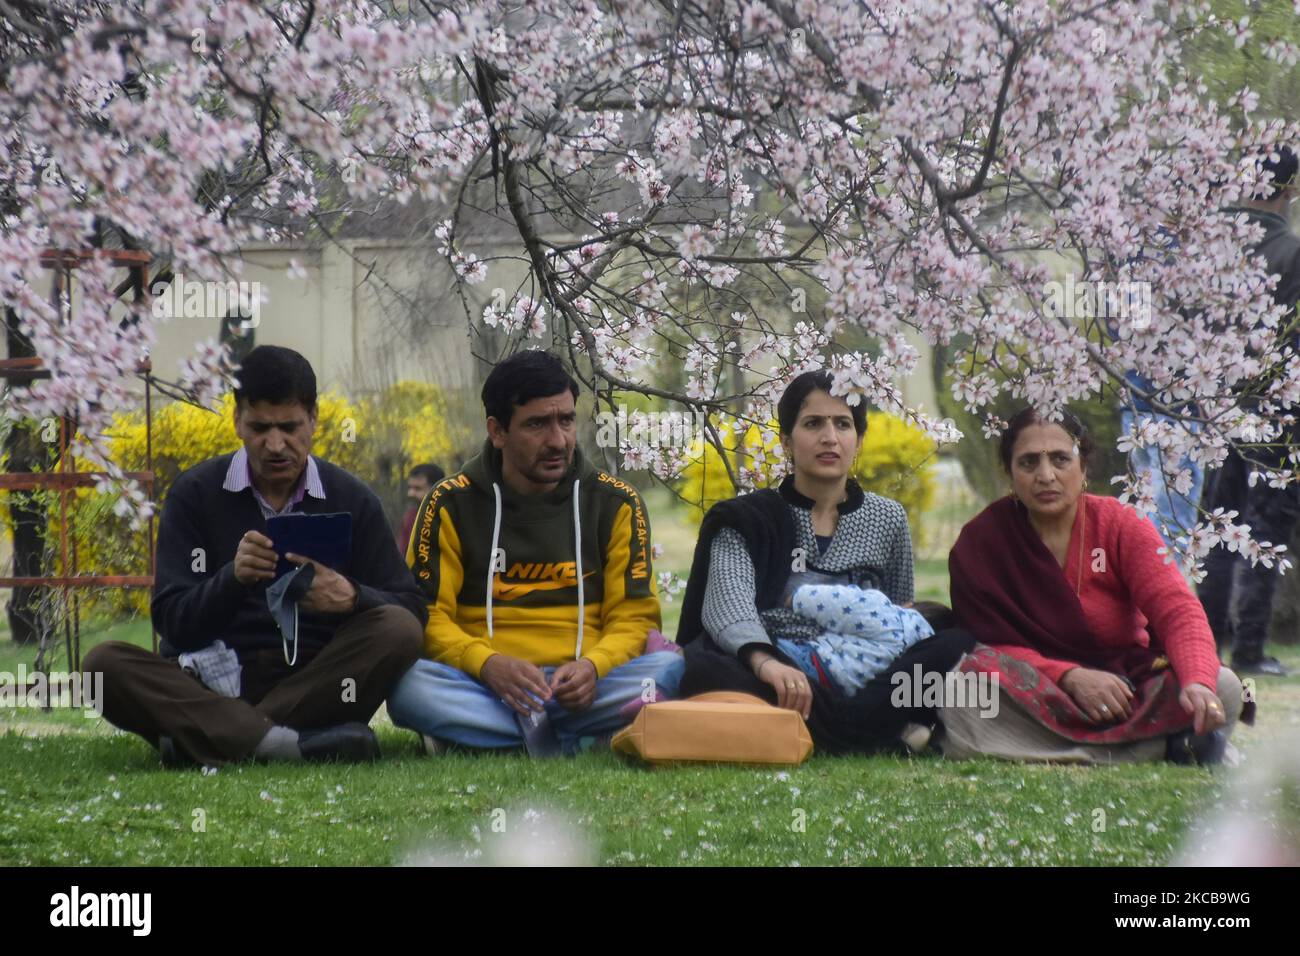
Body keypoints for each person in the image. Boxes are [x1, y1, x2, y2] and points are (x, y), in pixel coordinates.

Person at [83, 346, 426, 767]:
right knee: (102, 666)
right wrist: (231, 580)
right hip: (210, 682)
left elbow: (411, 610)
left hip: (315, 684)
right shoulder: (195, 494)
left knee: (398, 627)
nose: (275, 444)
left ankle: (211, 738)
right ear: (236, 421)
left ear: (313, 420)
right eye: (260, 427)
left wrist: (352, 597)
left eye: (289, 427)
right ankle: (288, 745)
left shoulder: (352, 499)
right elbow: (172, 621)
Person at [387, 350, 683, 754]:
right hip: (485, 685)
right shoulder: (449, 503)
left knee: (670, 667)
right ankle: (579, 738)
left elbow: (634, 618)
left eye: (565, 420)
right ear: (497, 431)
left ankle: (486, 738)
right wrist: (487, 664)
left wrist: (593, 667)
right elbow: (427, 614)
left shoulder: (616, 504)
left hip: (584, 687)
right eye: (537, 425)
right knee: (407, 686)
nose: (557, 441)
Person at [676, 370, 976, 755]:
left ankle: (821, 727)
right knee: (706, 668)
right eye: (813, 423)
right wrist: (766, 662)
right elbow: (727, 608)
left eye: (843, 424)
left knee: (956, 640)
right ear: (786, 440)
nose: (829, 437)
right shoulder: (746, 519)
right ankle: (869, 732)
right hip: (778, 668)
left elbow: (902, 614)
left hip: (864, 676)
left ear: (860, 439)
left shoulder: (888, 519)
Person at [939, 407, 1249, 765]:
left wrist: (1196, 682)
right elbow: (987, 645)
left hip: (1125, 692)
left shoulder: (1119, 525)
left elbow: (1177, 609)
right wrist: (1069, 676)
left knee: (1222, 685)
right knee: (963, 692)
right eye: (1028, 463)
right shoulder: (982, 541)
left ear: (1083, 468)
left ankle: (1067, 753)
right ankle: (1162, 748)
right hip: (1034, 688)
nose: (1046, 475)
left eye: (1060, 459)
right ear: (1009, 473)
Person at [1196, 146, 1300, 678]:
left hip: (1219, 404)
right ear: (1290, 190)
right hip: (1279, 411)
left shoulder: (1216, 248)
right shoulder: (1292, 251)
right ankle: (1251, 649)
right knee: (1266, 528)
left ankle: (1207, 643)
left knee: (1220, 521)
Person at [397, 463, 445, 553]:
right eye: (410, 488)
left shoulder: (449, 519)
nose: (410, 493)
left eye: (418, 489)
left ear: (436, 490)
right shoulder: (410, 517)